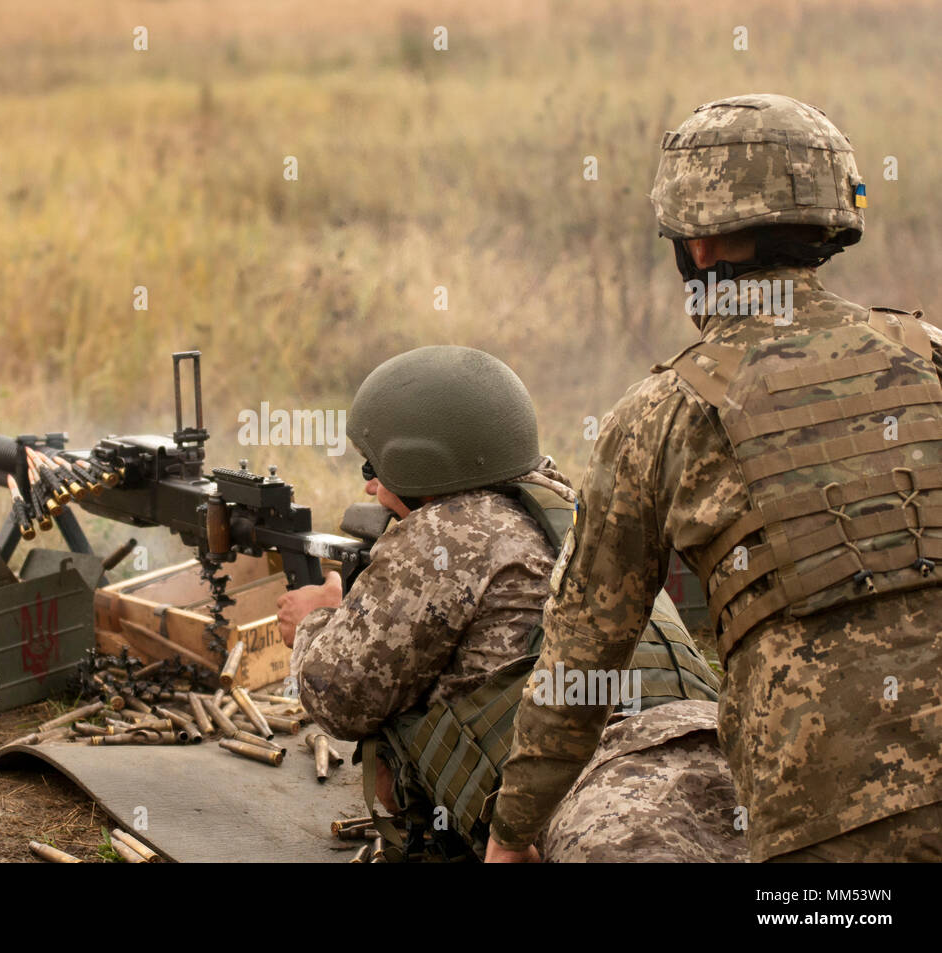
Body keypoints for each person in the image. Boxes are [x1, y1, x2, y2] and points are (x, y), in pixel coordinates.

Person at [489, 94, 942, 864]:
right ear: (825, 229)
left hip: (825, 824)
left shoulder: (663, 413)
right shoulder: (931, 352)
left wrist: (512, 830)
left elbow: (583, 655)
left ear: (695, 248)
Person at [278, 345, 742, 862]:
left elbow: (339, 699)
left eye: (374, 465)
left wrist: (315, 617)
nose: (369, 483)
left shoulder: (443, 534)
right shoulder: (578, 506)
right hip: (727, 756)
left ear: (420, 463)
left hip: (607, 795)